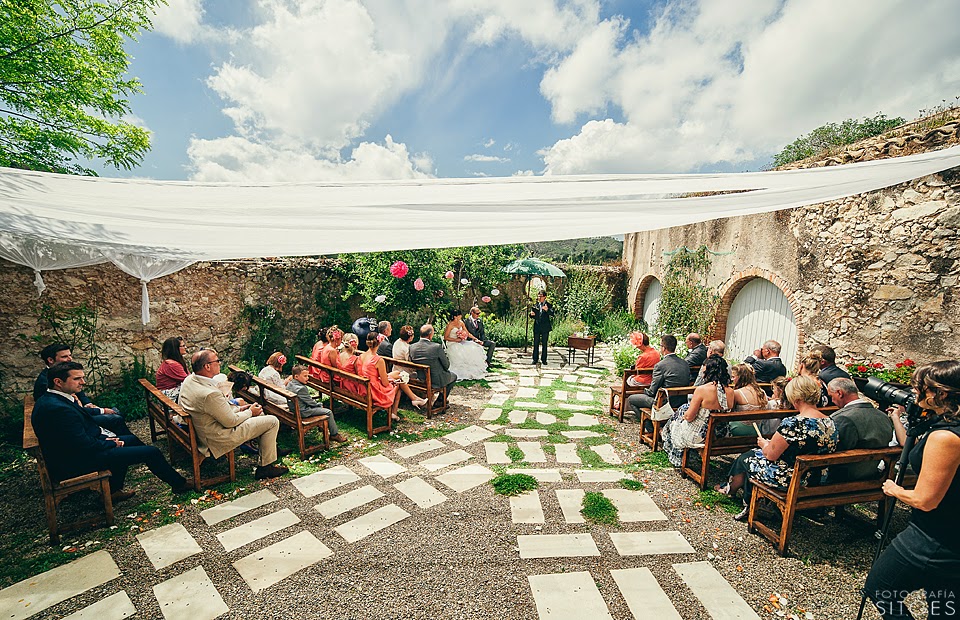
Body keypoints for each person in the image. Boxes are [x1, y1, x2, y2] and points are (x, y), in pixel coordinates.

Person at [865, 360, 960, 619]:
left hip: (932, 538)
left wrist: (895, 490)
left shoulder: (946, 437)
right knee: (943, 608)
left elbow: (925, 500)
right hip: (952, 538)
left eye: (921, 387)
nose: (915, 392)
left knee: (880, 588)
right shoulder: (946, 425)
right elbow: (914, 444)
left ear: (939, 393)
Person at [32, 361, 190, 501]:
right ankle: (179, 484)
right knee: (151, 452)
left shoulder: (57, 398)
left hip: (80, 450)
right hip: (75, 461)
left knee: (131, 440)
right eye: (77, 379)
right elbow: (80, 444)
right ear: (58, 382)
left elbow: (77, 434)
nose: (83, 382)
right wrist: (109, 443)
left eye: (82, 377)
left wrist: (110, 440)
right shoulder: (57, 408)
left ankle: (114, 489)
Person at [715, 375, 838, 520]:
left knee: (747, 458)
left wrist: (764, 444)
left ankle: (738, 494)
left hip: (790, 479)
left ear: (797, 399)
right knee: (752, 456)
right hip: (817, 477)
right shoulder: (830, 422)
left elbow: (771, 455)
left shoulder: (793, 423)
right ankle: (741, 494)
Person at [178, 349, 288, 480]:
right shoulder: (209, 394)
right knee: (272, 421)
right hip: (218, 437)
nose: (219, 363)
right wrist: (249, 412)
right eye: (217, 361)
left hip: (205, 428)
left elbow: (214, 410)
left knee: (258, 415)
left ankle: (271, 450)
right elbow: (230, 422)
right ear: (207, 366)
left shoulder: (190, 379)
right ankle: (265, 467)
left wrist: (240, 409)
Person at [33, 343, 132, 436]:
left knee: (115, 412)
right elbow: (65, 410)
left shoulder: (63, 373)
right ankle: (125, 444)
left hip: (78, 412)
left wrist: (87, 403)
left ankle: (125, 442)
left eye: (70, 355)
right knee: (115, 417)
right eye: (64, 357)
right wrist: (100, 411)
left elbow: (79, 392)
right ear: (50, 360)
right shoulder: (45, 382)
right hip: (72, 419)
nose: (69, 359)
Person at [661, 357, 735, 467]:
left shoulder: (702, 390)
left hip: (700, 436)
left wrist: (684, 416)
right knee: (682, 410)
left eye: (703, 371)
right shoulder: (730, 391)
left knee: (676, 420)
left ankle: (675, 454)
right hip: (720, 435)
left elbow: (690, 417)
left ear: (708, 372)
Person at [826, 377, 894, 481]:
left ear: (839, 393)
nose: (832, 400)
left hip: (844, 479)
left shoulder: (842, 418)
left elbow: (833, 450)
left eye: (831, 396)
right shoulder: (883, 416)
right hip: (875, 475)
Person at [627, 334, 692, 421]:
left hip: (664, 403)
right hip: (681, 402)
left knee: (632, 399)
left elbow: (652, 391)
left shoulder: (660, 365)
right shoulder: (685, 363)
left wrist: (644, 391)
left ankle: (652, 428)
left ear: (664, 348)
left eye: (660, 345)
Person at [287, 365, 347, 442]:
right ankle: (334, 434)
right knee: (328, 412)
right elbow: (310, 402)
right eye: (305, 376)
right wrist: (319, 404)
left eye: (308, 376)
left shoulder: (290, 384)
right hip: (303, 412)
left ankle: (322, 426)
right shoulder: (301, 388)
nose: (307, 378)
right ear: (296, 377)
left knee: (319, 408)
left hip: (294, 409)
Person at [360, 333, 403, 421]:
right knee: (398, 384)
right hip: (373, 392)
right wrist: (391, 380)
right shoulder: (378, 360)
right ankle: (393, 413)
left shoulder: (361, 356)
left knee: (396, 374)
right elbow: (385, 383)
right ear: (379, 343)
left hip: (362, 388)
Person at [409, 324, 457, 400]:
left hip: (420, 378)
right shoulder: (436, 347)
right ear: (430, 335)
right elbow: (446, 365)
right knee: (453, 376)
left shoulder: (412, 347)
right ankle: (441, 401)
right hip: (435, 380)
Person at [728, 364, 774, 437]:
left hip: (739, 429)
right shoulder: (762, 392)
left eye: (733, 377)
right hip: (758, 429)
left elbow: (730, 412)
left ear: (741, 377)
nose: (732, 380)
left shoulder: (737, 393)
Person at [443, 309, 487, 380]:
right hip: (452, 343)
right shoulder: (450, 325)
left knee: (473, 347)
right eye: (459, 315)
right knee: (462, 350)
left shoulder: (461, 323)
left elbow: (467, 333)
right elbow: (445, 337)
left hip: (460, 341)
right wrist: (456, 340)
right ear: (455, 316)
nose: (461, 316)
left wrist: (475, 339)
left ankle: (472, 369)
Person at [156, 336, 189, 401]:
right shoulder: (172, 365)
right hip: (168, 398)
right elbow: (188, 380)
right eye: (183, 346)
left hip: (166, 395)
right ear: (175, 349)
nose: (186, 347)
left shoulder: (172, 362)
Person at [529, 291, 554, 366]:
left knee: (544, 344)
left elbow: (552, 313)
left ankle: (544, 359)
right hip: (537, 326)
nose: (539, 298)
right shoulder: (535, 305)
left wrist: (547, 310)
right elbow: (533, 315)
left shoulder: (549, 305)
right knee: (535, 343)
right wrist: (531, 315)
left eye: (541, 296)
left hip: (545, 327)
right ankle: (535, 359)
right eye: (538, 296)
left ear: (545, 297)